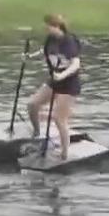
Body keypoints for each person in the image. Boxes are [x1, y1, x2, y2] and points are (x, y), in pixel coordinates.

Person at [27, 14, 82, 160]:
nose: (46, 28)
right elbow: (45, 52)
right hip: (54, 81)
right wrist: (30, 56)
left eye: (48, 26)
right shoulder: (51, 38)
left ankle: (64, 154)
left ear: (57, 26)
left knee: (59, 119)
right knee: (32, 104)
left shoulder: (68, 41)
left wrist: (62, 75)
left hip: (69, 84)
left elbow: (76, 64)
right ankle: (37, 132)